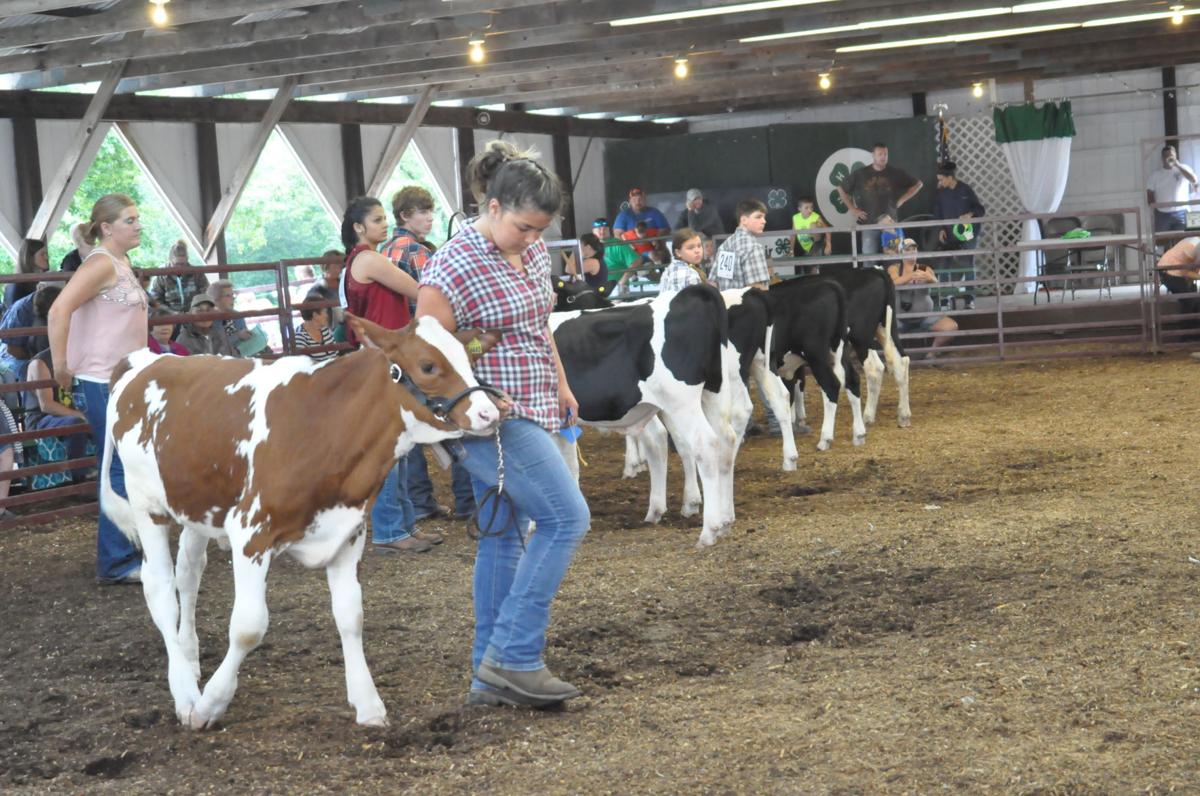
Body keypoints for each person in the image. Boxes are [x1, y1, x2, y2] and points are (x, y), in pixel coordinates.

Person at [418, 140, 589, 709]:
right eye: (523, 227)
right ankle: (514, 657)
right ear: (492, 207)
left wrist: (561, 383)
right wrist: (474, 367)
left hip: (538, 397)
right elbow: (428, 354)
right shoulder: (454, 263)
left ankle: (485, 677)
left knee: (505, 536)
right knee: (566, 518)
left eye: (540, 230)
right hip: (489, 418)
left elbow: (540, 324)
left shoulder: (532, 253)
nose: (532, 240)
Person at [47, 193, 148, 585]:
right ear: (107, 228)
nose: (138, 225)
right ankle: (117, 560)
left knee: (128, 465)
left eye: (137, 218)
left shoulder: (119, 262)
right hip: (101, 379)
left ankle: (130, 550)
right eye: (129, 219)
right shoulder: (101, 263)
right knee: (118, 466)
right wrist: (60, 365)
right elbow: (59, 309)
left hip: (124, 378)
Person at [341, 196, 437, 552]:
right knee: (391, 448)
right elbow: (418, 288)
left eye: (384, 219)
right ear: (358, 228)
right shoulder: (368, 260)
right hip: (383, 361)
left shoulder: (366, 259)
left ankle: (403, 525)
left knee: (403, 445)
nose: (384, 225)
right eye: (377, 220)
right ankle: (390, 530)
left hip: (389, 358)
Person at [837, 142, 924, 257]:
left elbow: (918, 184)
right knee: (869, 259)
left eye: (885, 154)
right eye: (880, 154)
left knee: (893, 258)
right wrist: (852, 209)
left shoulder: (896, 173)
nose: (883, 157)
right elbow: (841, 188)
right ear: (873, 155)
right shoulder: (861, 174)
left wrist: (902, 199)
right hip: (868, 224)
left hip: (890, 224)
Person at [24, 346, 90, 482]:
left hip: (69, 414)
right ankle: (80, 479)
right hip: (42, 420)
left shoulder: (78, 358)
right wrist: (81, 415)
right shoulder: (40, 363)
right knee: (76, 424)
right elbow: (46, 405)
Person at [887, 238, 958, 356]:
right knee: (881, 332)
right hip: (899, 318)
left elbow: (936, 282)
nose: (911, 252)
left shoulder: (924, 268)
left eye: (913, 249)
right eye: (907, 249)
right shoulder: (894, 268)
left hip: (925, 316)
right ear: (901, 252)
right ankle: (895, 358)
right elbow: (893, 282)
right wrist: (911, 276)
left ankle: (931, 354)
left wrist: (930, 279)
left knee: (951, 327)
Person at [933, 161, 985, 308]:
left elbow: (980, 209)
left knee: (968, 264)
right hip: (948, 232)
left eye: (942, 179)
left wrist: (971, 214)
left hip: (968, 232)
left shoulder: (965, 190)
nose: (940, 182)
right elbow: (937, 213)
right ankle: (945, 297)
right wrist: (940, 229)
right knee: (944, 265)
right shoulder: (939, 193)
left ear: (950, 177)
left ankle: (969, 299)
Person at [0, 282, 60, 383]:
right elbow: (12, 350)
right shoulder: (21, 310)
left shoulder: (63, 306)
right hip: (13, 355)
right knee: (30, 371)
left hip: (46, 352)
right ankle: (36, 397)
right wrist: (40, 362)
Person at [710, 198, 771, 291]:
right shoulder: (753, 247)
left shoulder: (724, 245)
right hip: (747, 304)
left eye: (764, 217)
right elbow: (758, 289)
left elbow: (712, 282)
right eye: (758, 217)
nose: (764, 221)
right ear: (744, 220)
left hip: (724, 303)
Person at [1147, 144, 1198, 235]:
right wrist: (1154, 208)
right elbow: (1149, 193)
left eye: (1171, 155)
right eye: (1166, 156)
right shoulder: (1155, 175)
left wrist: (1177, 165)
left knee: (1184, 240)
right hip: (1162, 214)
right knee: (1162, 240)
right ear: (1162, 158)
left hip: (1182, 212)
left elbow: (1193, 180)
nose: (1168, 158)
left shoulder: (1184, 169)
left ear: (1175, 156)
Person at [150, 239, 209, 315]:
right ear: (170, 260)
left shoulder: (197, 273)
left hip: (194, 316)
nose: (180, 268)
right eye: (177, 264)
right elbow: (155, 300)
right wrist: (170, 312)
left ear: (187, 259)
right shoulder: (162, 275)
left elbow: (205, 295)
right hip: (169, 317)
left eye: (183, 264)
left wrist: (196, 309)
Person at [1156, 236, 1200, 329]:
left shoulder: (1195, 240)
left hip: (1172, 268)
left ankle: (1193, 331)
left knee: (1194, 300)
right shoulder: (1195, 248)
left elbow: (1192, 268)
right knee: (1189, 302)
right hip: (1170, 271)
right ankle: (1185, 335)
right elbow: (1186, 271)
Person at [590, 217, 640, 293]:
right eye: (599, 228)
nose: (602, 230)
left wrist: (623, 281)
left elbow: (637, 261)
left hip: (617, 289)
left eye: (605, 228)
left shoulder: (619, 244)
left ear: (609, 230)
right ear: (593, 231)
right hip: (596, 289)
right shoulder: (588, 247)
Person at [294, 286, 337, 362]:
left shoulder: (324, 330)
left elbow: (335, 354)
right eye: (325, 312)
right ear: (315, 315)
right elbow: (303, 364)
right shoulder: (300, 336)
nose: (327, 315)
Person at [658, 227, 708, 292]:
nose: (697, 251)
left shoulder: (669, 269)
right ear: (678, 252)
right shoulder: (690, 275)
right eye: (690, 248)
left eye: (699, 246)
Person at [6, 238, 49, 309]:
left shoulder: (34, 281)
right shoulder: (18, 286)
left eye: (46, 254)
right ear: (30, 257)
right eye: (42, 254)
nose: (46, 257)